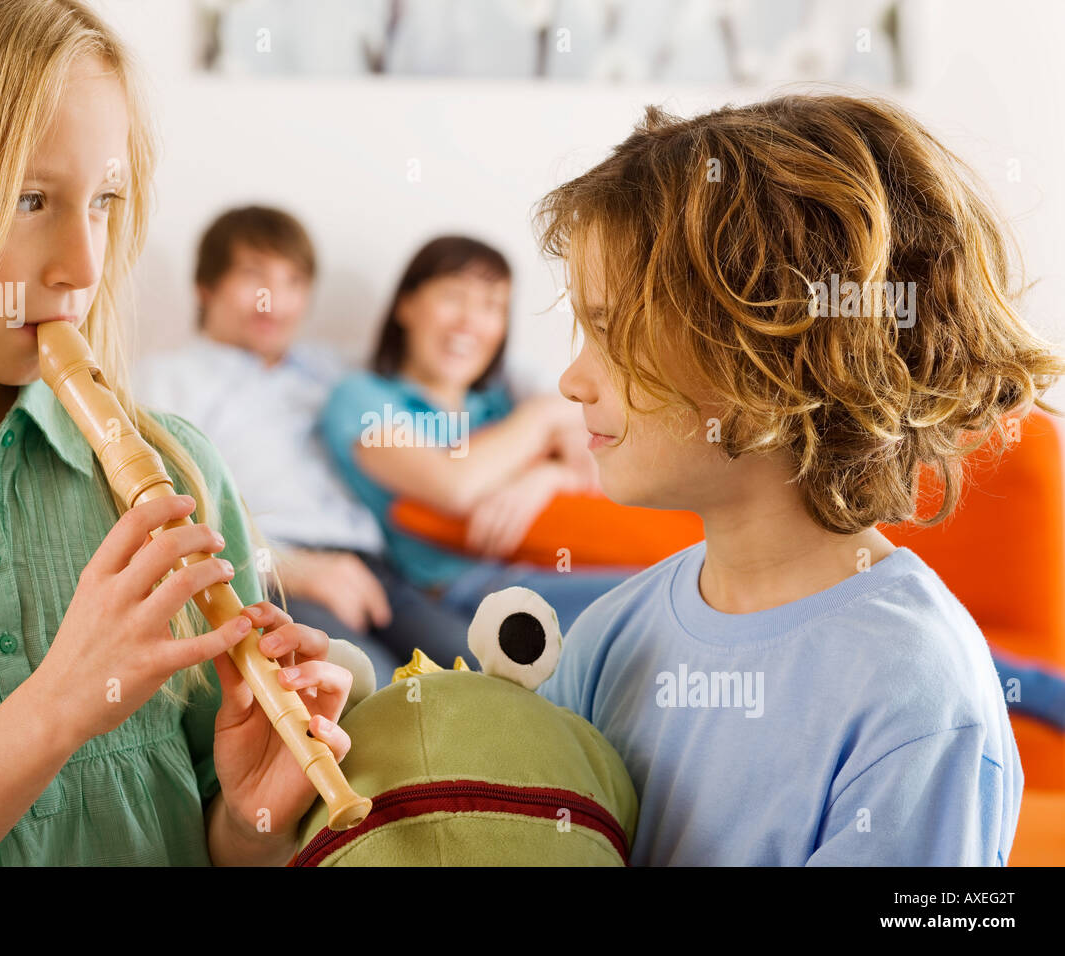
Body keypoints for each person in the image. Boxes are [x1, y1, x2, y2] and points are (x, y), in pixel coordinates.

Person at [0, 0, 353, 866]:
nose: (83, 268)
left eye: (105, 200)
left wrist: (253, 820)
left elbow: (209, 832)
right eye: (28, 198)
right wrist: (62, 704)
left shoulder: (177, 467)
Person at [533, 95, 1065, 864]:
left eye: (611, 332)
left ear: (772, 357)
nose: (572, 380)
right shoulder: (611, 637)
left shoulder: (916, 697)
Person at [132, 207, 473, 678]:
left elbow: (468, 374)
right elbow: (158, 517)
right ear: (205, 287)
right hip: (274, 574)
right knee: (373, 688)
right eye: (255, 276)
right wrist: (292, 569)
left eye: (294, 282)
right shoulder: (167, 380)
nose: (276, 299)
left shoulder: (333, 370)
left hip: (378, 570)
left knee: (480, 671)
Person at [320, 236, 640, 634]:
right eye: (454, 297)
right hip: (468, 590)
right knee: (654, 602)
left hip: (563, 563)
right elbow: (453, 486)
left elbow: (595, 470)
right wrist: (542, 417)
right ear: (406, 304)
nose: (469, 323)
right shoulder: (362, 397)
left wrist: (544, 479)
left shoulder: (501, 399)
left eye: (492, 306)